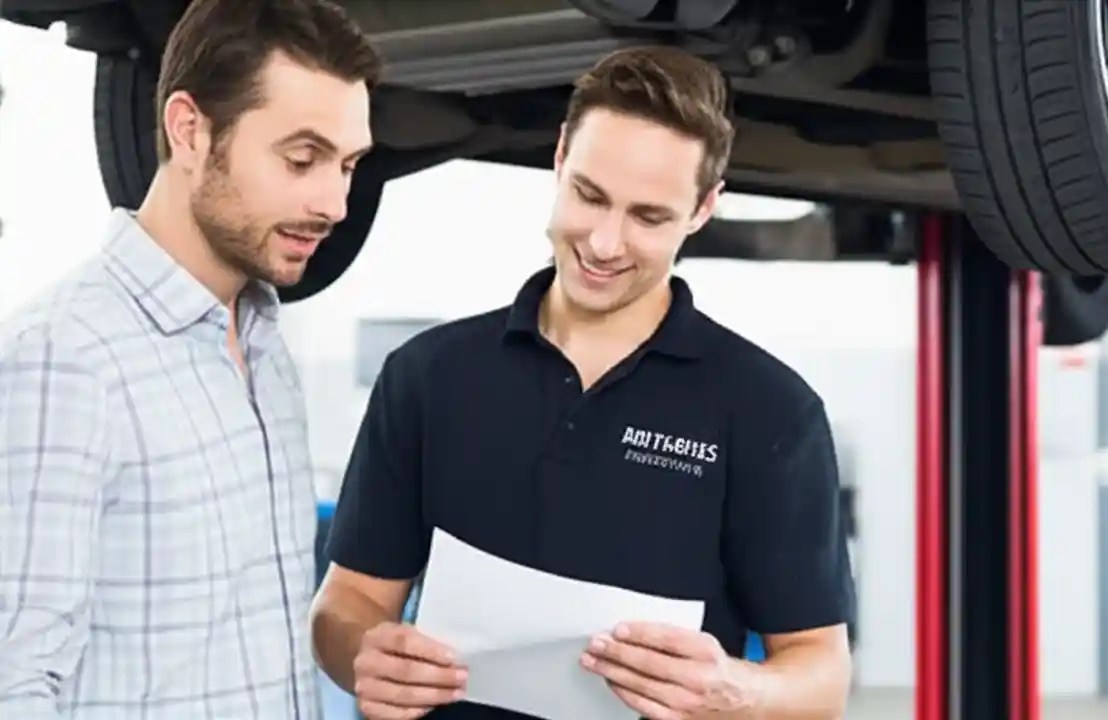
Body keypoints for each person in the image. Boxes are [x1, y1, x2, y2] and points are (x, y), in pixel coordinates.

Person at [312, 45, 855, 719]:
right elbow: (347, 603)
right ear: (562, 155)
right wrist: (363, 652)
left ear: (704, 207)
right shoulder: (430, 376)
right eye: (590, 196)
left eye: (648, 216)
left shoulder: (769, 411)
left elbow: (821, 675)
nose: (604, 243)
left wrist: (735, 691)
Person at [0, 1, 379, 717]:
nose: (334, 202)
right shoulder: (63, 361)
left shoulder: (265, 347)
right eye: (301, 159)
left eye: (349, 165)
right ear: (190, 129)